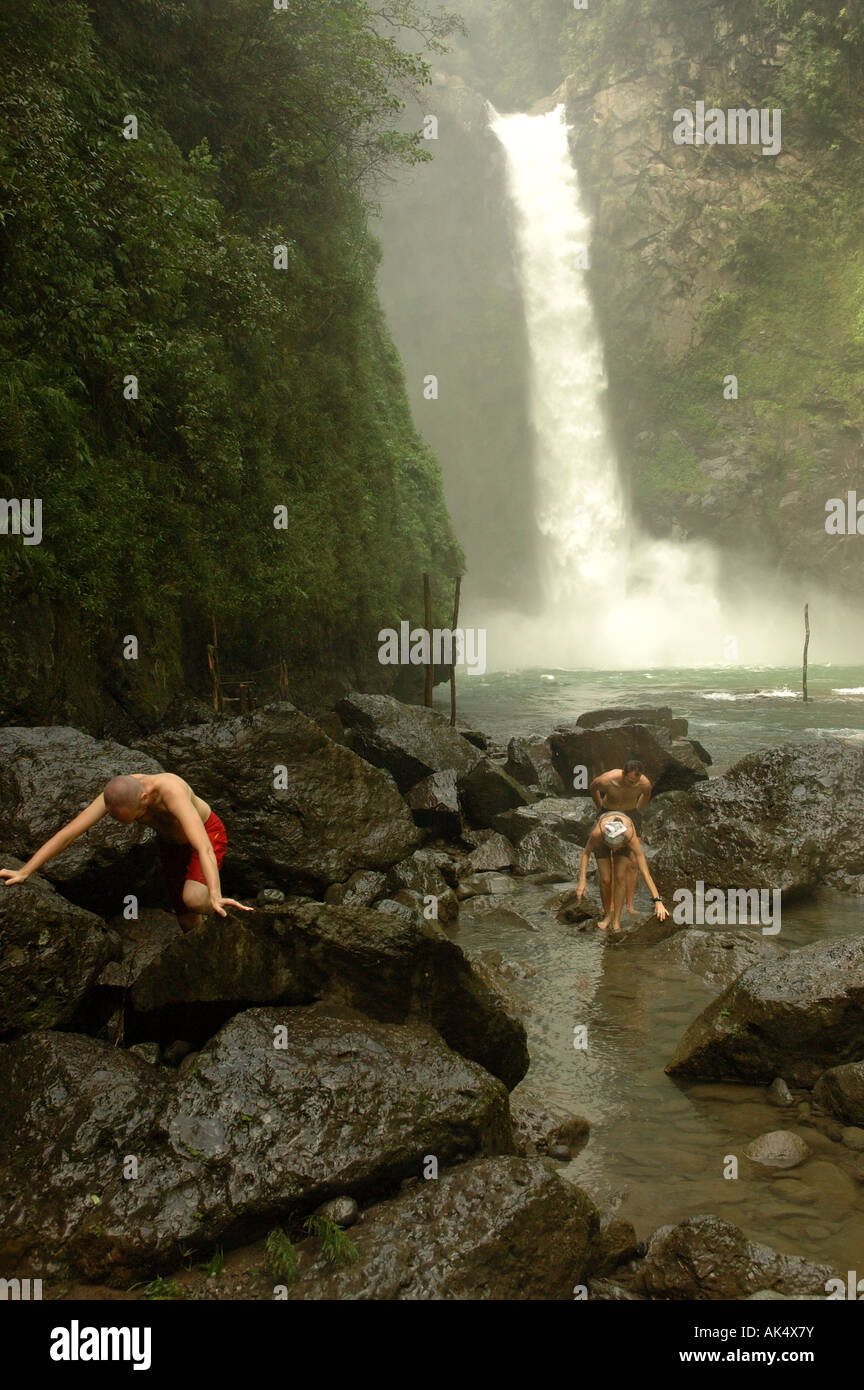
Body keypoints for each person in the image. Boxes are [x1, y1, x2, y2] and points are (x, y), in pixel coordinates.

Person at [0, 773, 252, 932]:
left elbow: (203, 847)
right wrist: (24, 871)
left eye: (137, 817)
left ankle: (236, 915)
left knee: (195, 899)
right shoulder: (115, 794)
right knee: (187, 921)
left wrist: (215, 894)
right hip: (171, 844)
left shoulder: (171, 790)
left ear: (144, 798)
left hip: (206, 834)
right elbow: (68, 834)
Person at [576, 810, 667, 933]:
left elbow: (645, 872)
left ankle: (616, 921)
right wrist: (582, 881)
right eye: (613, 846)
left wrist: (658, 901)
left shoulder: (629, 836)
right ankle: (607, 916)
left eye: (616, 846)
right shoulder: (598, 832)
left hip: (623, 842)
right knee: (605, 879)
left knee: (619, 876)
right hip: (602, 843)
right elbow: (586, 853)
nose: (614, 849)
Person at [590, 758, 652, 914]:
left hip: (631, 813)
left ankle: (630, 905)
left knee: (632, 862)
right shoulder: (607, 780)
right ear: (624, 774)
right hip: (609, 813)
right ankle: (611, 904)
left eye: (635, 781)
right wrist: (600, 808)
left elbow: (646, 795)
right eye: (630, 780)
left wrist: (637, 811)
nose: (633, 784)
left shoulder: (644, 784)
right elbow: (593, 788)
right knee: (612, 860)